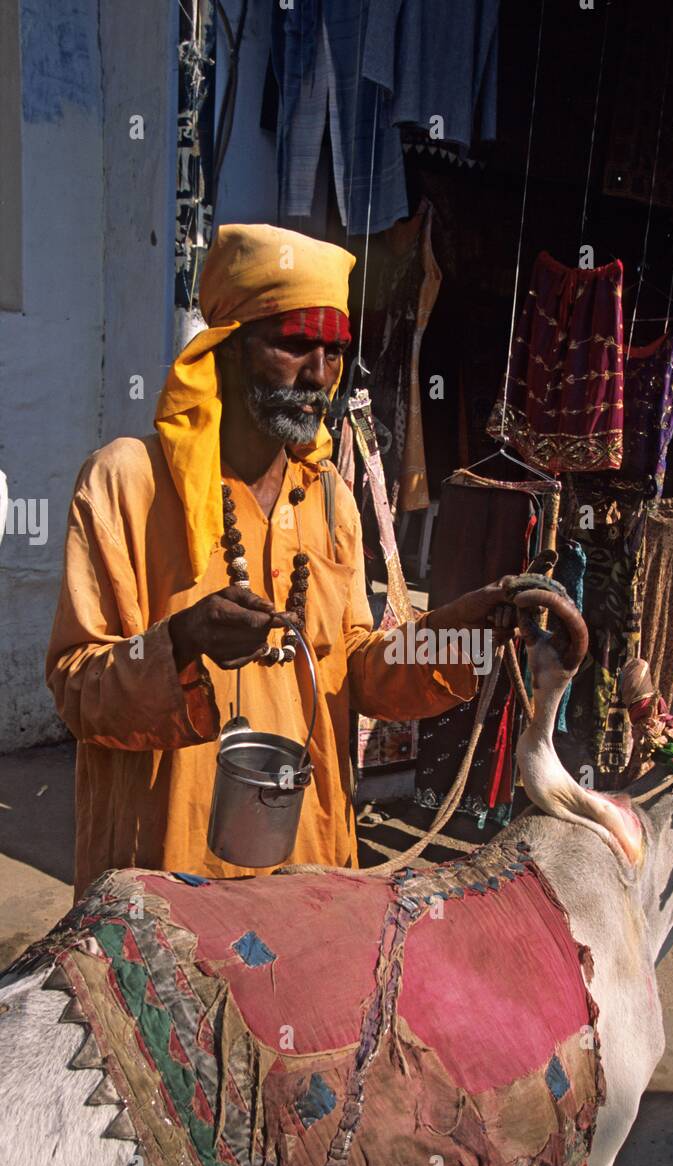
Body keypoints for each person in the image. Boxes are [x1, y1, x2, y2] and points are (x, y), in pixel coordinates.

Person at [47, 224, 512, 896]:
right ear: (229, 348)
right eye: (294, 345)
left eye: (334, 352)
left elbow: (360, 673)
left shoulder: (330, 498)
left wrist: (467, 631)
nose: (319, 375)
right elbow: (76, 689)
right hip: (167, 882)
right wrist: (181, 641)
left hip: (310, 870)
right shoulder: (127, 483)